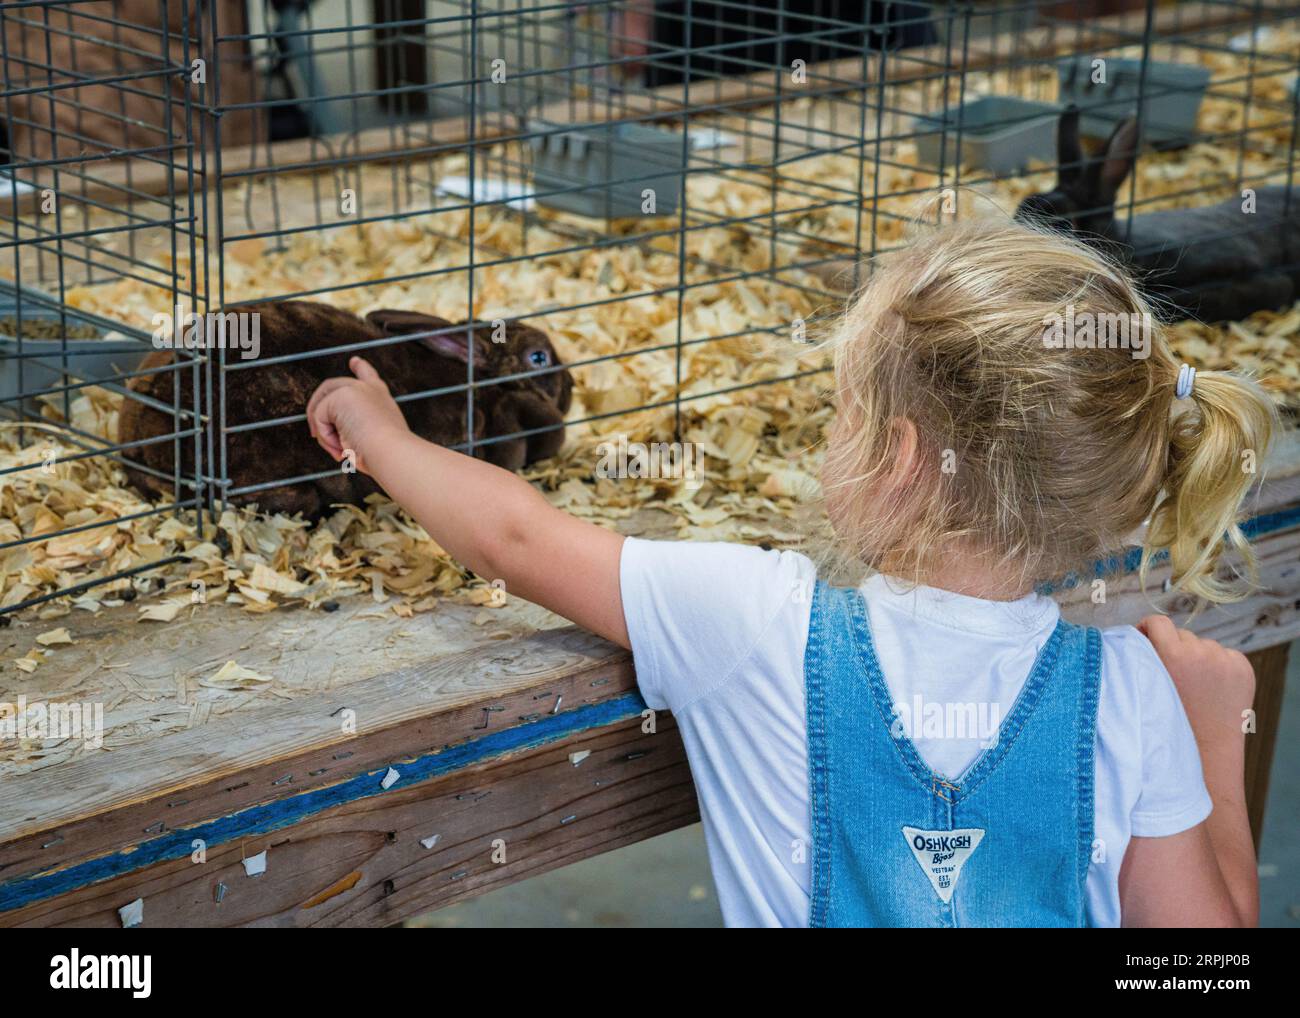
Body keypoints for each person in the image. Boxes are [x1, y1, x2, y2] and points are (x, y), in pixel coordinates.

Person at [305, 216, 1270, 927]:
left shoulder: (758, 624)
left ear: (897, 458)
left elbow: (511, 541)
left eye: (841, 407)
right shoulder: (1134, 691)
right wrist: (1216, 730)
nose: (826, 431)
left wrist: (381, 439)